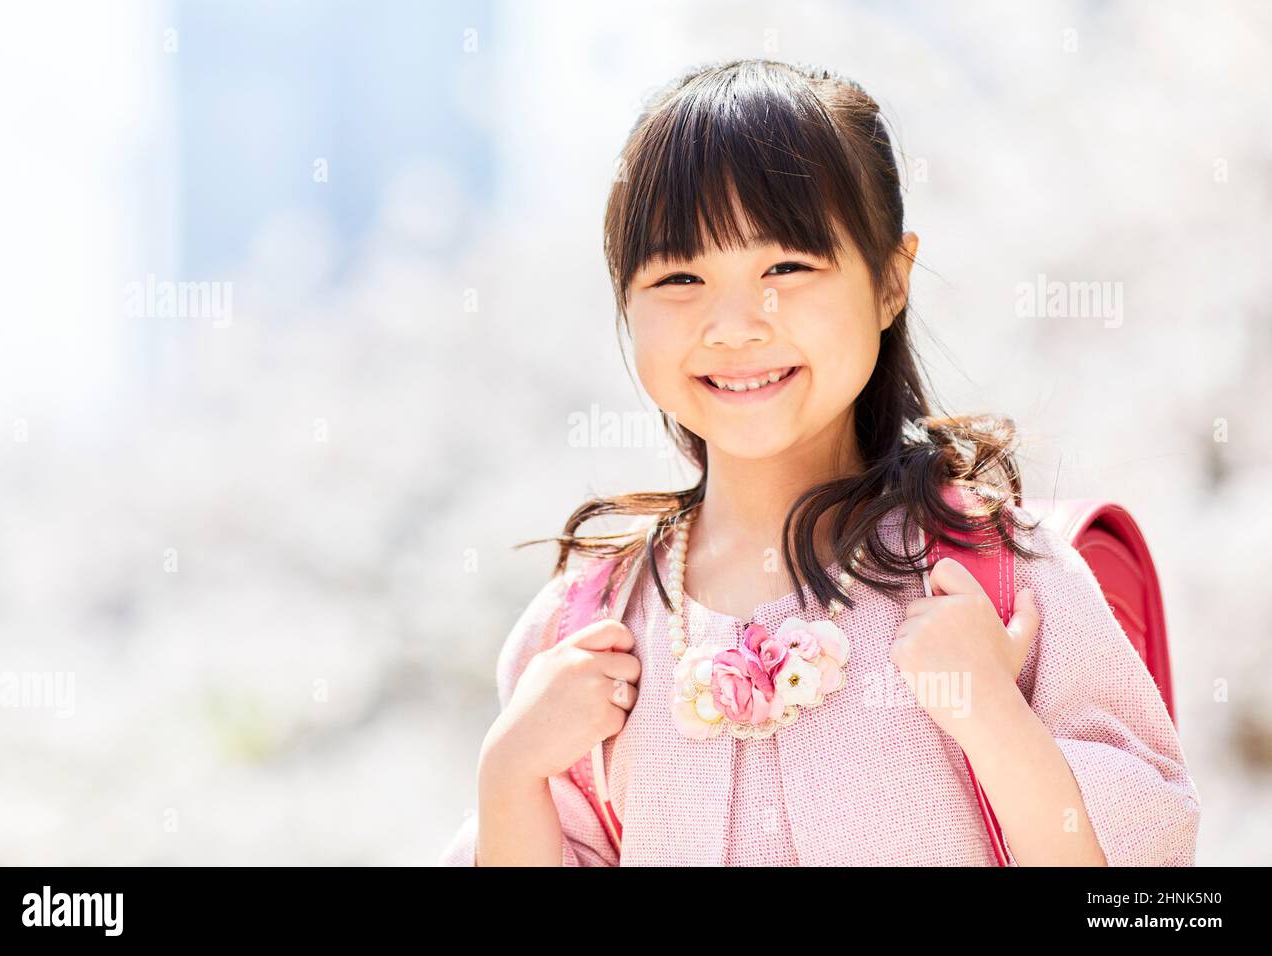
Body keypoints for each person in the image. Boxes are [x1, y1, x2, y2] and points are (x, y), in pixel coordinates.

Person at [440, 58, 1200, 866]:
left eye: (786, 269)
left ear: (890, 281)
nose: (735, 325)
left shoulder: (1004, 581)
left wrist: (993, 715)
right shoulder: (589, 629)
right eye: (681, 276)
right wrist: (509, 773)